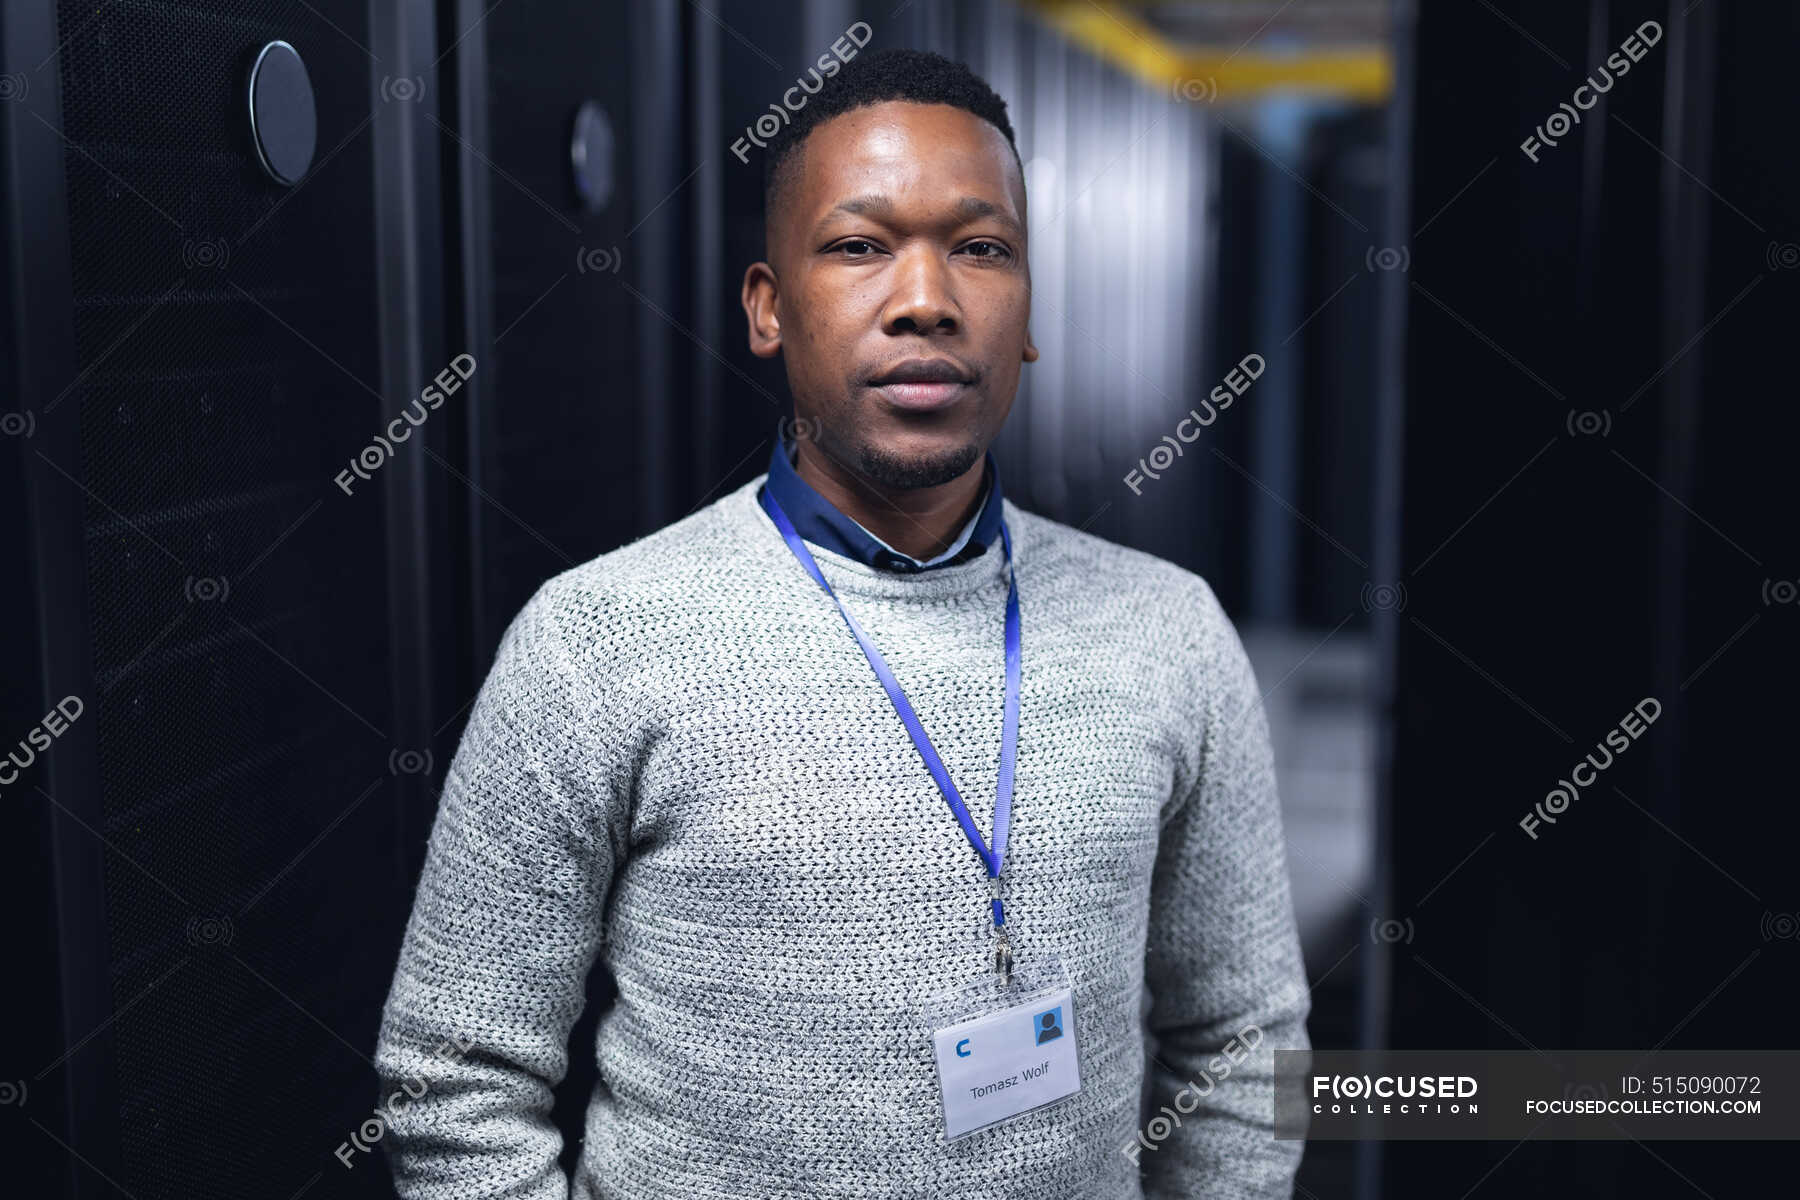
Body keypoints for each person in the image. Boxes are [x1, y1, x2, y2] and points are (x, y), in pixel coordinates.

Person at [374, 47, 1310, 1199]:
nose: (926, 300)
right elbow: (453, 1080)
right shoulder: (597, 643)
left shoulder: (1171, 633)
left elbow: (1244, 1045)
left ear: (1027, 310)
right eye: (861, 246)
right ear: (769, 308)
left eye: (981, 249)